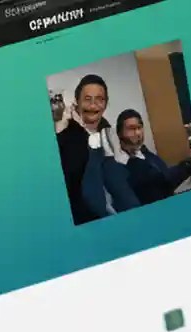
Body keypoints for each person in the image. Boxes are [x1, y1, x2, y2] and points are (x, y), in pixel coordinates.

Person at [55, 74, 139, 224]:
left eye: (100, 99)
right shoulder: (64, 138)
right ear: (77, 102)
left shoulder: (111, 136)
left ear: (105, 104)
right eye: (87, 99)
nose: (93, 105)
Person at [115, 109, 191, 206]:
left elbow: (165, 174)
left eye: (139, 127)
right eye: (131, 128)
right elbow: (158, 181)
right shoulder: (121, 164)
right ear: (119, 133)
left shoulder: (144, 152)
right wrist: (187, 165)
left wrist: (189, 160)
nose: (138, 133)